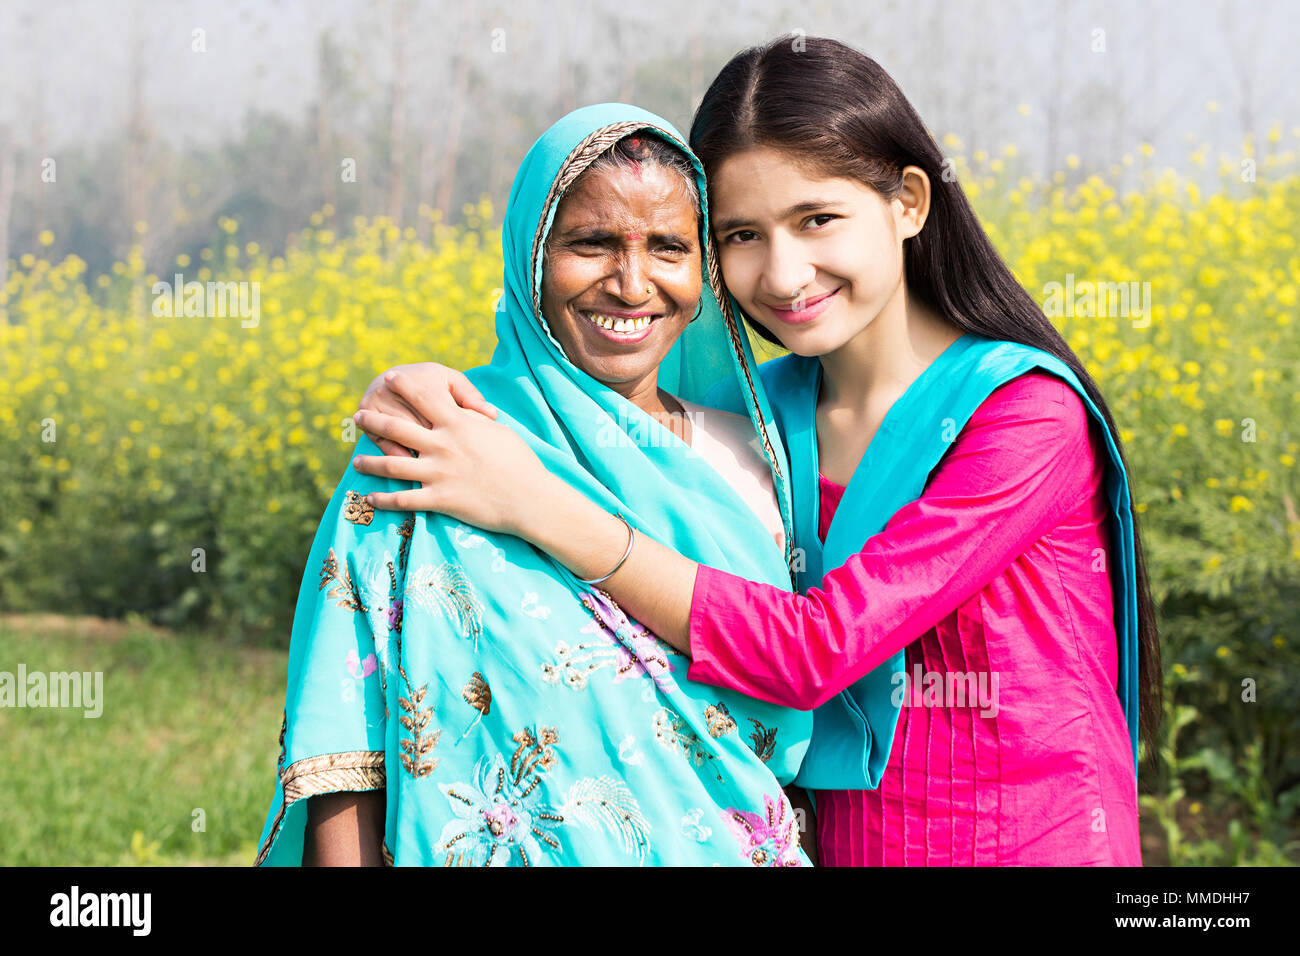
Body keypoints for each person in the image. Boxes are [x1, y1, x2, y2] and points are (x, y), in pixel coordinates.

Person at [351, 36, 1163, 866]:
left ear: (910, 202)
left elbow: (817, 651)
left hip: (1027, 844)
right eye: (741, 235)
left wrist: (536, 504)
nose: (783, 274)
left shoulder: (1023, 416)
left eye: (817, 220)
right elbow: (592, 435)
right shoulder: (757, 421)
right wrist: (433, 396)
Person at [257, 103, 819, 867]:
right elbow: (347, 745)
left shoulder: (759, 460)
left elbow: (794, 706)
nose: (631, 283)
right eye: (591, 243)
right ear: (530, 258)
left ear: (705, 271)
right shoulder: (433, 439)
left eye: (667, 248)